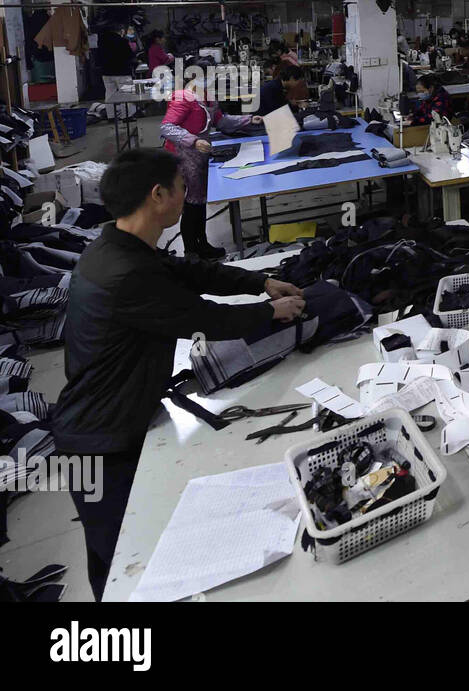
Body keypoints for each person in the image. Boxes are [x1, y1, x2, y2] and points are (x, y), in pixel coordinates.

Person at [51, 148, 306, 600]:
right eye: (182, 187)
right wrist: (271, 311)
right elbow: (205, 318)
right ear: (157, 195)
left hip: (108, 425)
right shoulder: (125, 274)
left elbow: (189, 272)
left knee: (130, 554)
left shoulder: (122, 245)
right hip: (101, 442)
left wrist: (259, 282)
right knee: (121, 571)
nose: (187, 194)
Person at [160, 79, 261, 258]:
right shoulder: (183, 98)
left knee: (199, 201)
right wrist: (193, 140)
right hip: (183, 154)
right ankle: (192, 251)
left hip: (199, 153)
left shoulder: (208, 98)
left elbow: (220, 121)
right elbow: (167, 127)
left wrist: (248, 119)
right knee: (191, 204)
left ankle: (203, 245)